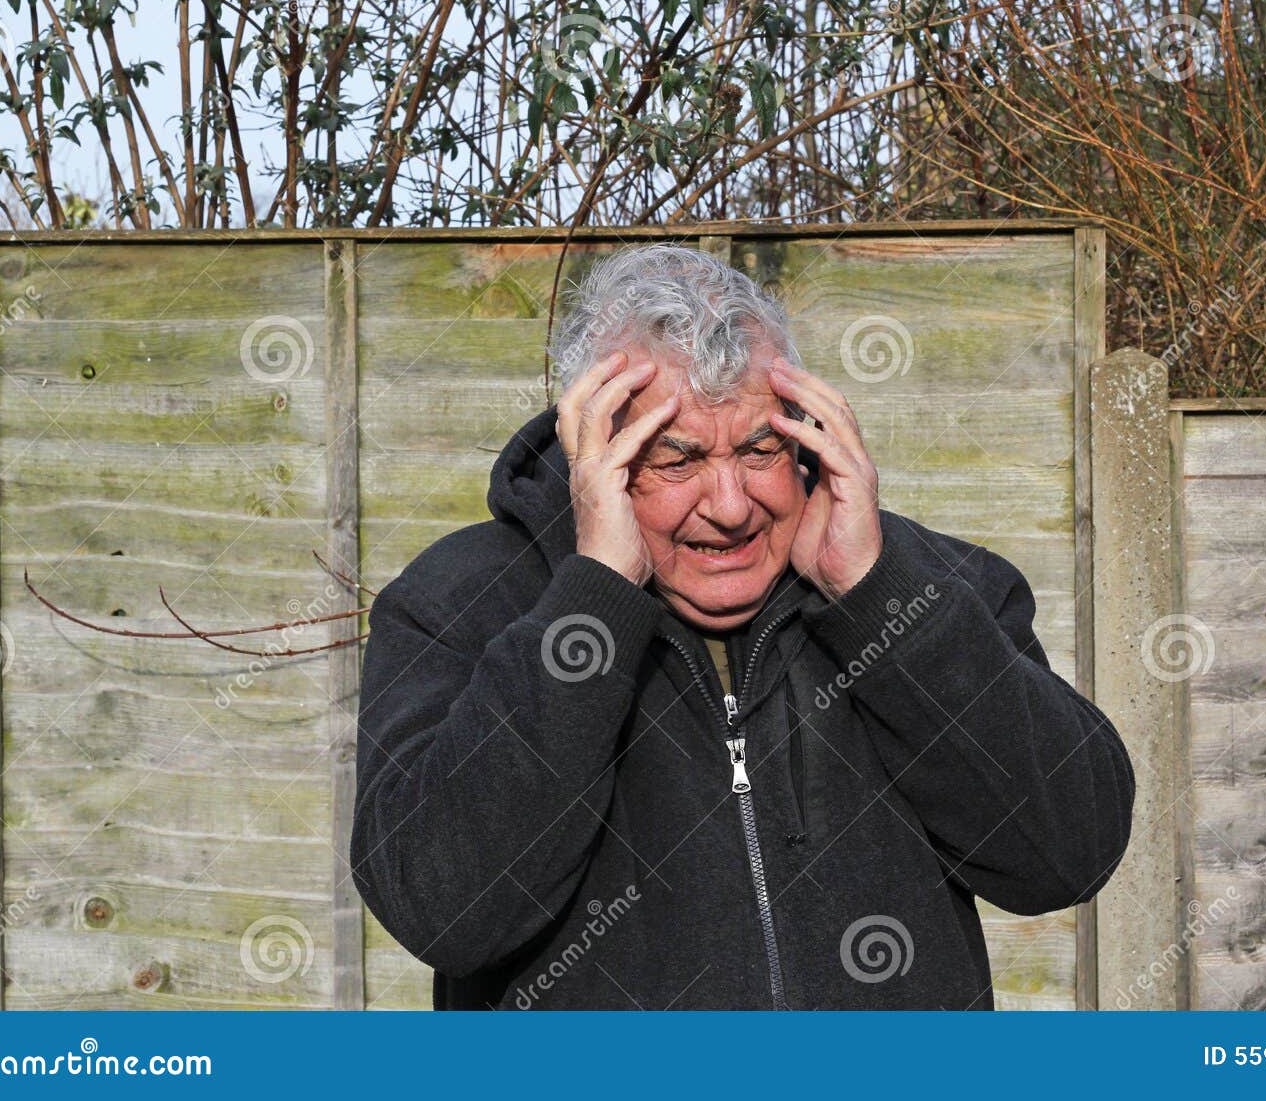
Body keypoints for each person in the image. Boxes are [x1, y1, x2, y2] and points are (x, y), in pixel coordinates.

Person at [350, 243, 1135, 1009]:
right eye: (676, 460)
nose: (730, 507)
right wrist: (592, 604)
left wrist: (877, 596)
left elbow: (1070, 851)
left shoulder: (930, 588)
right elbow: (442, 905)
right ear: (589, 448)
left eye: (760, 449)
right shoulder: (461, 602)